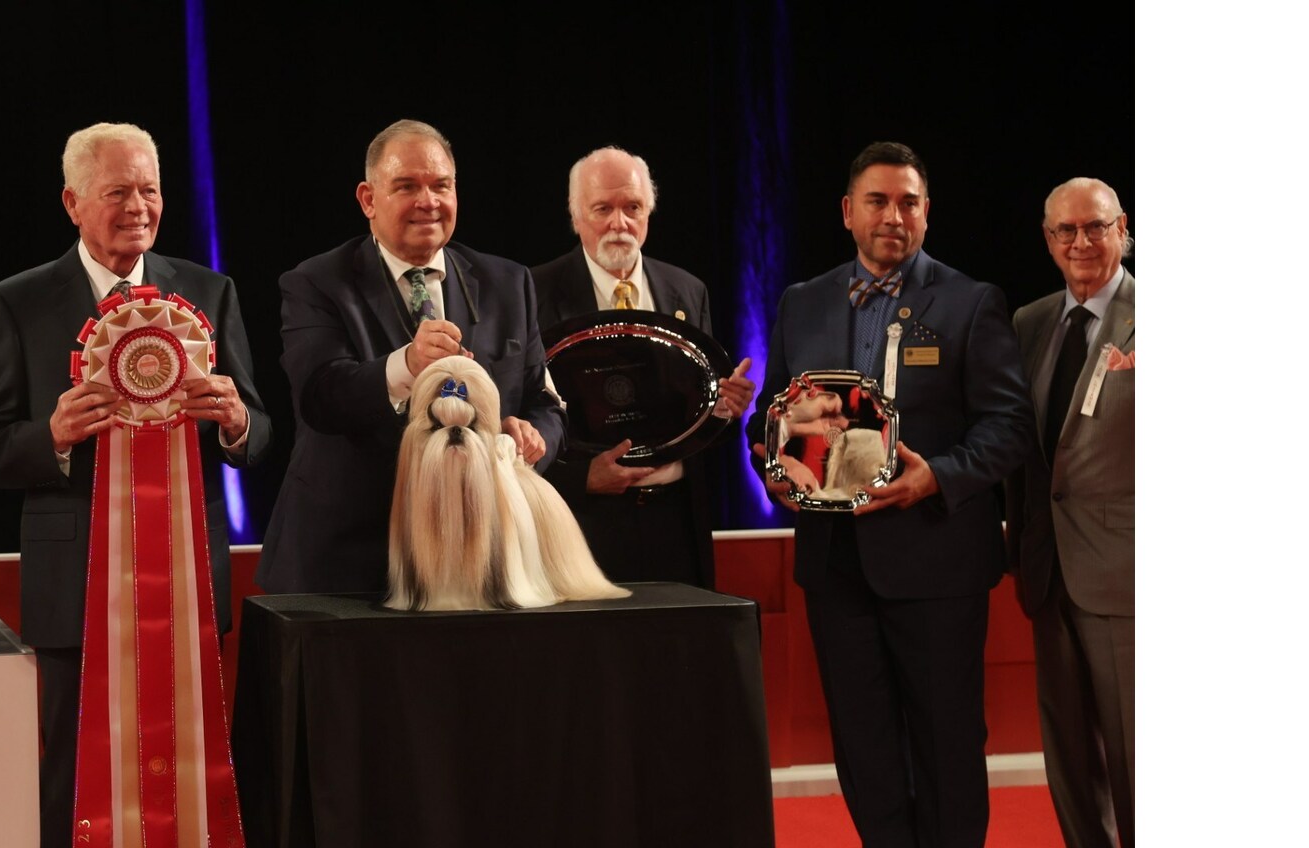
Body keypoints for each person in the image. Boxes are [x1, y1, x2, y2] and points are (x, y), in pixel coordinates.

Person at [0, 122, 270, 848]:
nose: (139, 206)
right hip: (76, 590)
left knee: (194, 777)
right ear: (72, 202)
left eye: (151, 190)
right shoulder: (16, 303)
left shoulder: (208, 289)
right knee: (78, 781)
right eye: (118, 192)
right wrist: (54, 436)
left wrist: (234, 419)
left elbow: (260, 430)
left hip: (190, 584)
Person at [745, 141, 1031, 847]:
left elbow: (1010, 425)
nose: (893, 216)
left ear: (927, 214)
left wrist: (938, 473)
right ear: (848, 212)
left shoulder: (971, 302)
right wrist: (777, 466)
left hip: (938, 563)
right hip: (837, 564)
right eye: (877, 200)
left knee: (947, 744)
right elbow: (772, 418)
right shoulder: (801, 302)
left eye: (909, 202)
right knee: (864, 748)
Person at [257, 119, 565, 594]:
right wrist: (406, 365)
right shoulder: (315, 282)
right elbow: (320, 395)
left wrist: (526, 440)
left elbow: (543, 402)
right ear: (367, 199)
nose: (429, 201)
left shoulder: (510, 282)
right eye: (407, 186)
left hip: (477, 564)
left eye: (441, 185)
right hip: (350, 565)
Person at [532, 146, 753, 587]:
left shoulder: (686, 291)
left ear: (649, 213)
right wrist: (581, 479)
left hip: (676, 521)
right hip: (579, 524)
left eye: (632, 207)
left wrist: (728, 408)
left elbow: (704, 423)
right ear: (576, 217)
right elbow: (519, 416)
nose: (619, 223)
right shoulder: (532, 293)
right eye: (602, 209)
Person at [1006, 177, 1135, 848]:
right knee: (1071, 763)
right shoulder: (1029, 323)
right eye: (1066, 231)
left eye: (1096, 227)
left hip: (1132, 580)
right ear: (1049, 240)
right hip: (1048, 572)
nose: (1081, 242)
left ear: (1124, 229)